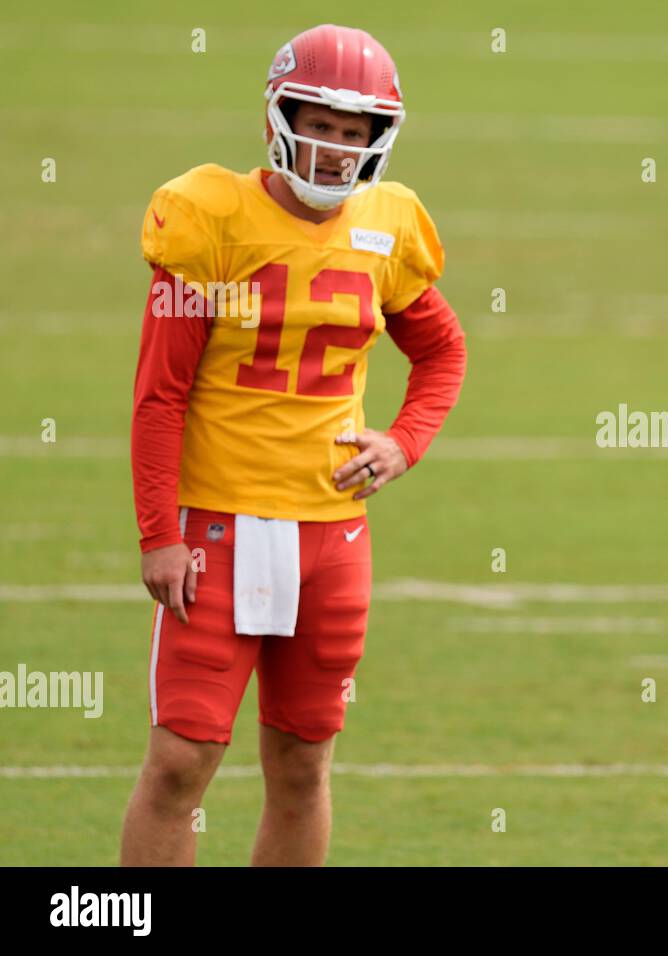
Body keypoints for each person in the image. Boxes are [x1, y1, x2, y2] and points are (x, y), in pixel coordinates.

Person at [122, 24, 467, 866]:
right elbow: (160, 395)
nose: (335, 149)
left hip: (332, 535)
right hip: (216, 532)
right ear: (279, 120)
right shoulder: (210, 218)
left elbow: (443, 350)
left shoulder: (387, 226)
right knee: (179, 764)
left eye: (356, 133)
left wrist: (404, 441)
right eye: (320, 124)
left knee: (304, 765)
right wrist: (159, 535)